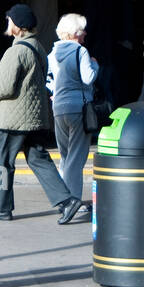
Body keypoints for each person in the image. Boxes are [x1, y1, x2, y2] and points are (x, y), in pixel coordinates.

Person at [0, 5, 82, 225]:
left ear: (17, 25)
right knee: (39, 159)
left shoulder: (16, 51)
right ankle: (66, 201)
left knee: (2, 163)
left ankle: (2, 207)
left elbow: (6, 88)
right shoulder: (37, 46)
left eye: (10, 21)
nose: (8, 24)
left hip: (12, 120)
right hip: (33, 117)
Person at [46, 13, 98, 206]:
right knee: (76, 158)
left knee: (65, 155)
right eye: (82, 29)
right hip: (78, 107)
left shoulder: (52, 54)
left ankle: (63, 199)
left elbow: (49, 81)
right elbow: (88, 78)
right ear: (76, 33)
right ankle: (72, 202)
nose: (85, 33)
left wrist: (54, 92)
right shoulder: (80, 52)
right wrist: (95, 65)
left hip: (58, 107)